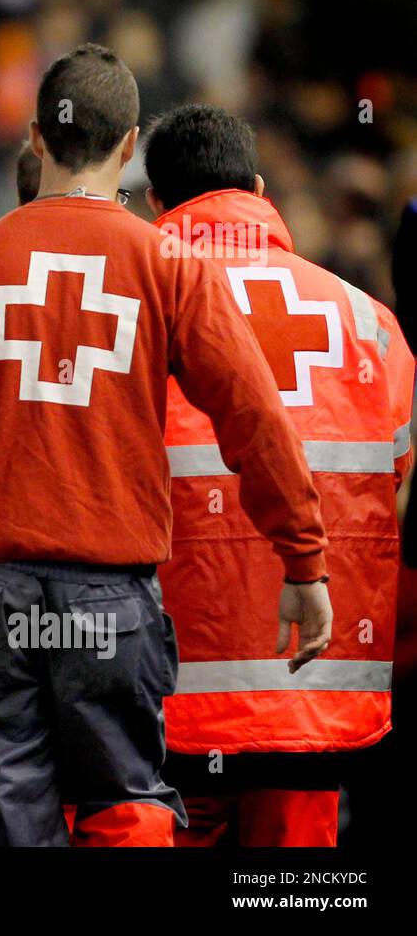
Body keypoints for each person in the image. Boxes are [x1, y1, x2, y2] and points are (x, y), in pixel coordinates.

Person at [0, 43, 332, 847]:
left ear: (34, 138)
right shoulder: (169, 265)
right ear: (130, 144)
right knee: (127, 809)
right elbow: (255, 418)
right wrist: (303, 558)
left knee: (13, 825)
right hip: (110, 600)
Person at [143, 103, 414, 846]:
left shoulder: (135, 312)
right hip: (315, 681)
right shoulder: (368, 320)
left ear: (158, 203)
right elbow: (395, 475)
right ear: (260, 187)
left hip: (172, 685)